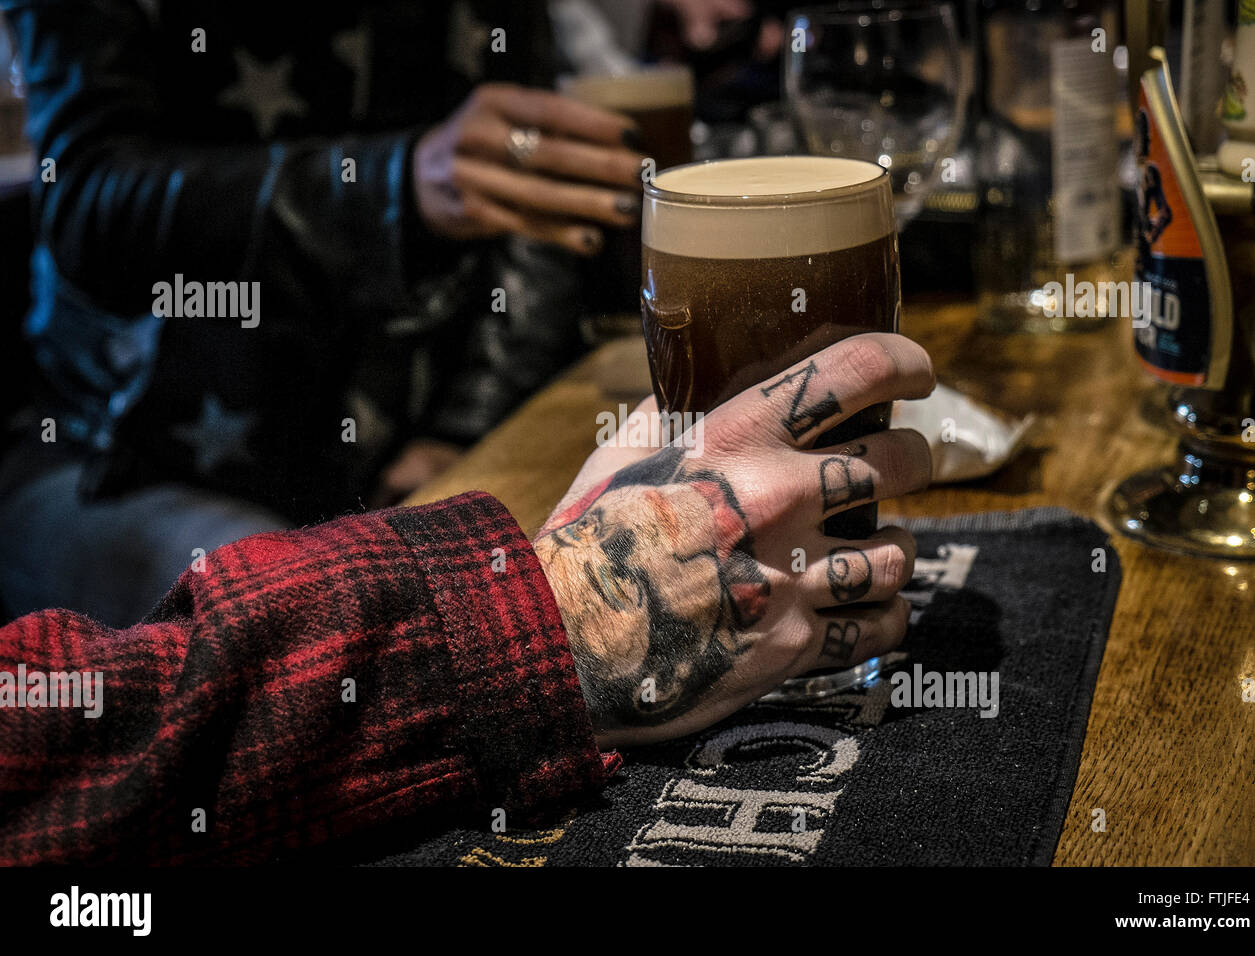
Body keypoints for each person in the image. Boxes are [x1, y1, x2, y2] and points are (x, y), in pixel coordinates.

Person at [0, 332, 935, 864]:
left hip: (387, 465)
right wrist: (554, 606)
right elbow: (79, 742)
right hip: (88, 457)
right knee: (238, 555)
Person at [0, 1, 647, 626]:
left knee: (623, 559)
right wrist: (390, 186)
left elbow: (532, 195)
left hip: (409, 449)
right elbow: (86, 202)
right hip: (119, 460)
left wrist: (461, 427)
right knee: (337, 630)